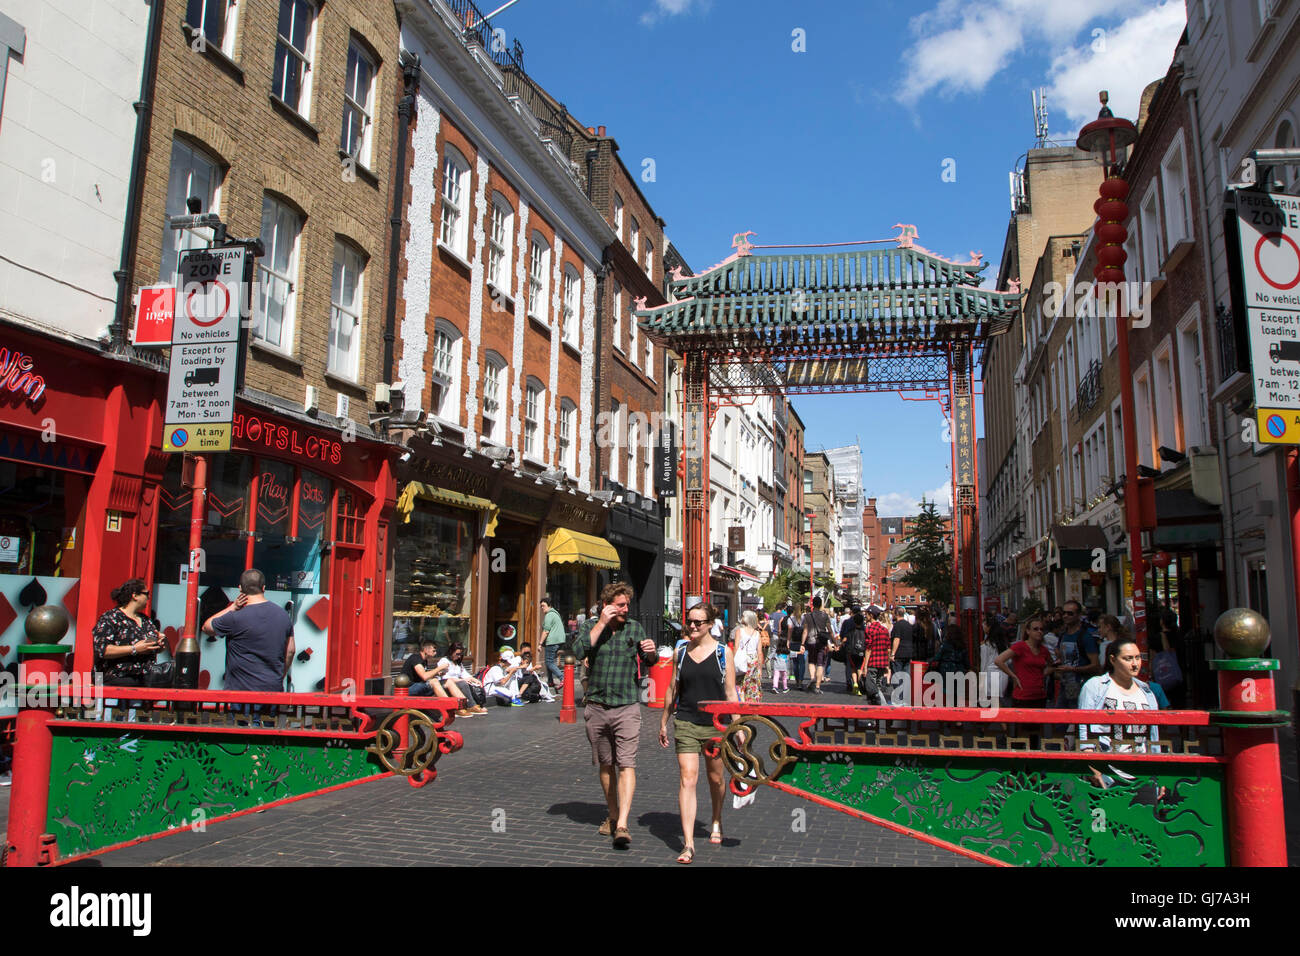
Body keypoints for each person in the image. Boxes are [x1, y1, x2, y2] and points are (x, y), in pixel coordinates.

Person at [569, 581, 657, 850]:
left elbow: (650, 662)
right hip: (596, 705)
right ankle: (613, 813)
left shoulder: (635, 628)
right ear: (607, 605)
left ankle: (623, 824)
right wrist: (600, 625)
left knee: (627, 763)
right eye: (620, 605)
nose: (626, 609)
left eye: (627, 605)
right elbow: (576, 653)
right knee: (607, 764)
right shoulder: (590, 628)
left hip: (627, 706)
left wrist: (651, 653)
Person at [658, 602, 739, 863]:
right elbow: (673, 688)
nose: (691, 626)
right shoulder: (680, 651)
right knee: (688, 778)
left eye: (697, 622)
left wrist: (737, 726)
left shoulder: (722, 653)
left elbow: (730, 692)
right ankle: (689, 843)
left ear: (709, 625)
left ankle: (716, 818)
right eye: (689, 621)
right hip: (687, 721)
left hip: (716, 724)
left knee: (716, 779)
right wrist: (663, 720)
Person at [1078, 637, 1162, 787]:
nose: (1135, 664)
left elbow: (1154, 736)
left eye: (1137, 658)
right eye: (1128, 659)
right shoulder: (1096, 686)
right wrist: (1093, 769)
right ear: (1113, 660)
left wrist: (1158, 776)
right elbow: (1084, 728)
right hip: (1107, 770)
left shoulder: (1147, 692)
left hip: (1142, 771)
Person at [202, 569, 294, 692]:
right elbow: (290, 651)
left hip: (240, 692)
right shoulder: (283, 615)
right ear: (264, 588)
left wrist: (232, 607)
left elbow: (206, 627)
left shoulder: (235, 617)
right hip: (272, 690)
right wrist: (278, 677)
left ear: (240, 588)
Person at [92, 578, 165, 687]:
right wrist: (134, 649)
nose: (149, 597)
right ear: (134, 596)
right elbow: (102, 650)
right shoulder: (111, 618)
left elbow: (148, 648)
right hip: (115, 680)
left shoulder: (146, 620)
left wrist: (158, 646)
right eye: (146, 594)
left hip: (143, 680)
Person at [401, 640, 485, 716]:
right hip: (408, 689)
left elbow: (424, 677)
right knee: (434, 681)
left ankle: (462, 707)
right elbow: (424, 676)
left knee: (448, 681)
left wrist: (438, 673)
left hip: (420, 686)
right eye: (434, 650)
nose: (435, 653)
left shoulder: (424, 660)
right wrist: (439, 668)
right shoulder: (415, 658)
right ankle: (449, 707)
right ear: (426, 650)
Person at [994, 614, 1056, 708]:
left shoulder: (1044, 650)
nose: (1039, 632)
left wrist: (1040, 675)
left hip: (1040, 695)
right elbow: (998, 660)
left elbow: (1052, 665)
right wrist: (1013, 676)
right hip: (1022, 695)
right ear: (1028, 631)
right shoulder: (1020, 647)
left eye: (1041, 629)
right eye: (1035, 629)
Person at [1052, 599, 1100, 707]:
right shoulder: (1063, 635)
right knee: (1061, 719)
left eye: (1070, 613)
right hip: (1065, 683)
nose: (1065, 616)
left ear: (1078, 615)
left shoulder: (1086, 637)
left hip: (1081, 684)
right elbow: (1063, 657)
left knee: (1077, 717)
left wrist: (1073, 669)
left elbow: (1095, 665)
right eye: (1063, 613)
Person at [439, 642, 487, 709]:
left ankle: (478, 703)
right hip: (447, 684)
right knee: (463, 683)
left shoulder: (458, 663)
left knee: (473, 683)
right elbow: (445, 678)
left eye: (460, 654)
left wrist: (474, 680)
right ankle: (471, 705)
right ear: (451, 652)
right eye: (457, 654)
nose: (459, 656)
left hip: (457, 683)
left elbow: (465, 674)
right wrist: (462, 680)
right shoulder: (444, 661)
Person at [801, 596, 833, 693]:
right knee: (820, 664)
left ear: (812, 604)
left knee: (811, 662)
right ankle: (818, 686)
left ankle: (812, 679)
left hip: (811, 641)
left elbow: (805, 631)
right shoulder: (825, 616)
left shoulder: (807, 616)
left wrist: (802, 643)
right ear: (820, 605)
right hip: (821, 642)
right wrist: (834, 642)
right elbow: (830, 630)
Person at [860, 608, 891, 704]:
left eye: (867, 614)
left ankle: (882, 709)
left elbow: (868, 648)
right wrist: (888, 665)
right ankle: (877, 712)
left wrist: (865, 666)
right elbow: (888, 648)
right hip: (882, 662)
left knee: (871, 689)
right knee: (877, 686)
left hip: (873, 662)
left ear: (871, 615)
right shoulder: (884, 630)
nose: (866, 616)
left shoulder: (870, 629)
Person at [732, 610, 764, 703]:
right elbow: (760, 652)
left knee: (740, 682)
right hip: (753, 660)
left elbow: (736, 647)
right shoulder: (757, 633)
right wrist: (760, 668)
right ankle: (752, 704)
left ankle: (740, 702)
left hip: (742, 659)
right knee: (752, 684)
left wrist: (731, 660)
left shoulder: (740, 631)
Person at [979, 616, 1011, 707]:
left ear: (989, 627)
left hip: (990, 675)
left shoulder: (986, 645)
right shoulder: (1004, 643)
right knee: (997, 701)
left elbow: (984, 664)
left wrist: (981, 681)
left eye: (984, 625)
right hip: (1003, 675)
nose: (983, 627)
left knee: (994, 703)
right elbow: (1009, 661)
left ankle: (1004, 721)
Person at [540, 597, 567, 691]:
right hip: (558, 641)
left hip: (552, 641)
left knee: (549, 662)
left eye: (543, 606)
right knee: (549, 661)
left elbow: (546, 631)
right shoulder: (555, 614)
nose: (542, 608)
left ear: (549, 605)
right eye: (541, 606)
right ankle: (550, 681)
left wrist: (540, 643)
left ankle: (562, 678)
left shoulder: (549, 615)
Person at [788, 603, 807, 690]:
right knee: (802, 662)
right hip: (801, 643)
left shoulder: (791, 619)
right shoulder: (804, 619)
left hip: (793, 642)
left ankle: (796, 680)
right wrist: (803, 643)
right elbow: (805, 631)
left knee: (795, 663)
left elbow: (790, 631)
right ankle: (801, 680)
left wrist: (788, 641)